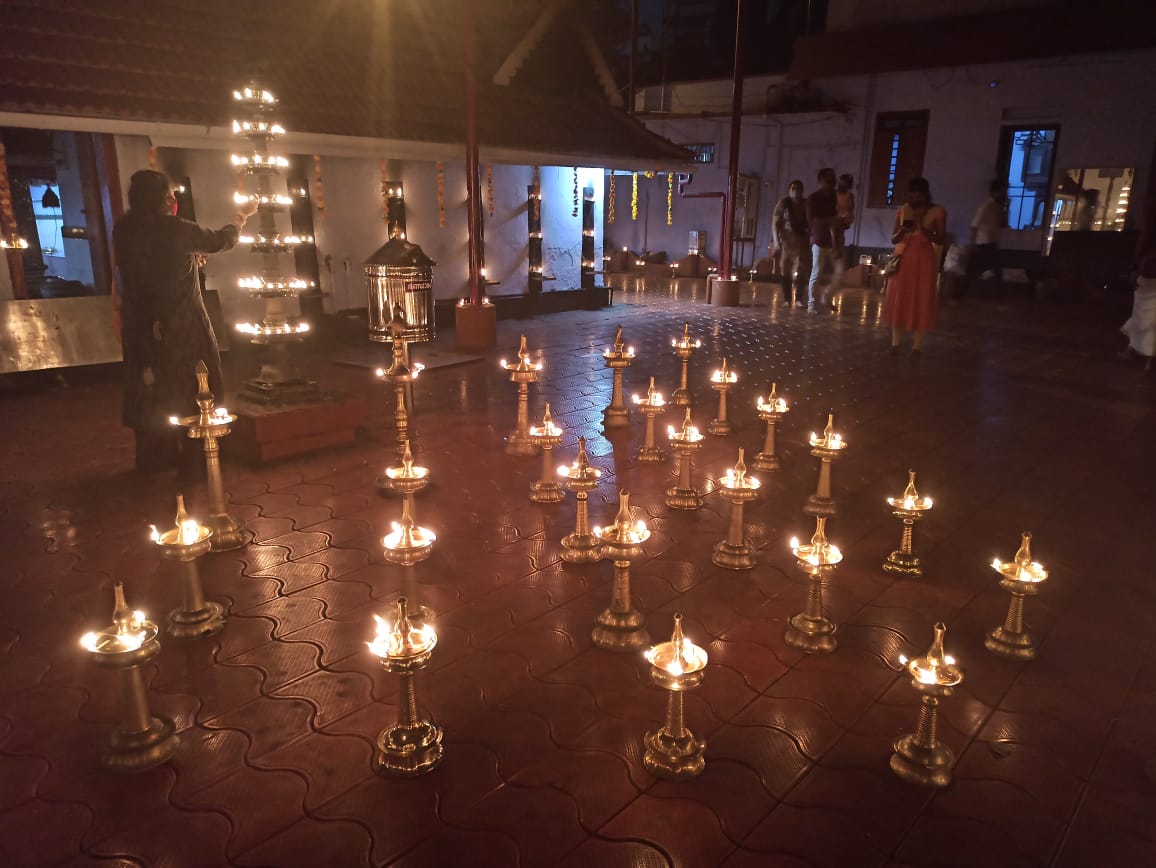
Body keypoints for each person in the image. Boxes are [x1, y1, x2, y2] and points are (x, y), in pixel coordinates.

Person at [113, 169, 256, 474]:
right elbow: (220, 240)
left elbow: (148, 271)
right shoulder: (174, 228)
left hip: (140, 324)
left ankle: (155, 460)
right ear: (166, 197)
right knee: (195, 386)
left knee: (152, 388)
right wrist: (241, 218)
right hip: (181, 323)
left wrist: (189, 261)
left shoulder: (124, 229)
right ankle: (196, 464)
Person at [883, 177, 946, 356]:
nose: (915, 200)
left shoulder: (938, 211)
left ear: (926, 195)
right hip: (902, 257)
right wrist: (903, 230)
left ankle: (916, 346)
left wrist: (922, 227)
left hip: (924, 258)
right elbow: (893, 238)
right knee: (899, 296)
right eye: (912, 196)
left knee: (921, 296)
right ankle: (895, 343)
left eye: (919, 196)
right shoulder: (903, 211)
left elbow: (941, 238)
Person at [1119, 188, 1156, 372]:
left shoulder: (1152, 217)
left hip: (1151, 271)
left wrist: (1135, 264)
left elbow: (1145, 240)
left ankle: (1137, 351)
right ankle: (1149, 357)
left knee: (1143, 310)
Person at [960, 179, 1007, 298]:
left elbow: (1003, 224)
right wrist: (973, 243)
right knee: (971, 271)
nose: (1004, 194)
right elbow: (974, 226)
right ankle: (958, 296)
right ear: (994, 192)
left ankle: (998, 298)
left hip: (992, 244)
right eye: (1002, 191)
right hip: (982, 244)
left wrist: (1005, 210)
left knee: (997, 272)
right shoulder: (985, 207)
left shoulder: (998, 208)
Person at [805, 167, 842, 313]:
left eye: (833, 180)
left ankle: (826, 298)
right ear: (820, 181)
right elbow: (812, 220)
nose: (832, 183)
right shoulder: (813, 198)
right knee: (817, 272)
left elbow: (841, 215)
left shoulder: (835, 197)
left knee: (840, 272)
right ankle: (812, 305)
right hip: (819, 239)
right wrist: (831, 221)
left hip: (834, 241)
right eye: (828, 180)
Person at [772, 179, 809, 305]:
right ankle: (787, 299)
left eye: (798, 188)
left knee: (801, 271)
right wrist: (776, 242)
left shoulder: (806, 204)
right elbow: (775, 223)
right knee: (785, 270)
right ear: (789, 190)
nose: (796, 191)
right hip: (786, 244)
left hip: (801, 243)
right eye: (793, 188)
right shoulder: (783, 204)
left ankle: (799, 299)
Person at [833, 173, 855, 265]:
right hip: (835, 216)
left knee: (840, 230)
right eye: (840, 183)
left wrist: (843, 213)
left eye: (844, 183)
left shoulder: (849, 195)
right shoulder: (834, 194)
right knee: (834, 230)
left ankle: (837, 249)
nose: (841, 185)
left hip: (845, 217)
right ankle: (835, 248)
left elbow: (851, 208)